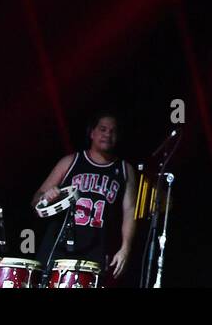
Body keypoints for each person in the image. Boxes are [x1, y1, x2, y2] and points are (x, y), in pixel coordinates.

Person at [33, 111, 136, 285]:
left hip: (96, 250)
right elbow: (36, 199)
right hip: (59, 246)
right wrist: (46, 197)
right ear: (92, 133)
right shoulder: (71, 161)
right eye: (103, 129)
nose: (108, 134)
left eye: (113, 131)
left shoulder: (125, 169)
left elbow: (130, 211)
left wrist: (125, 248)